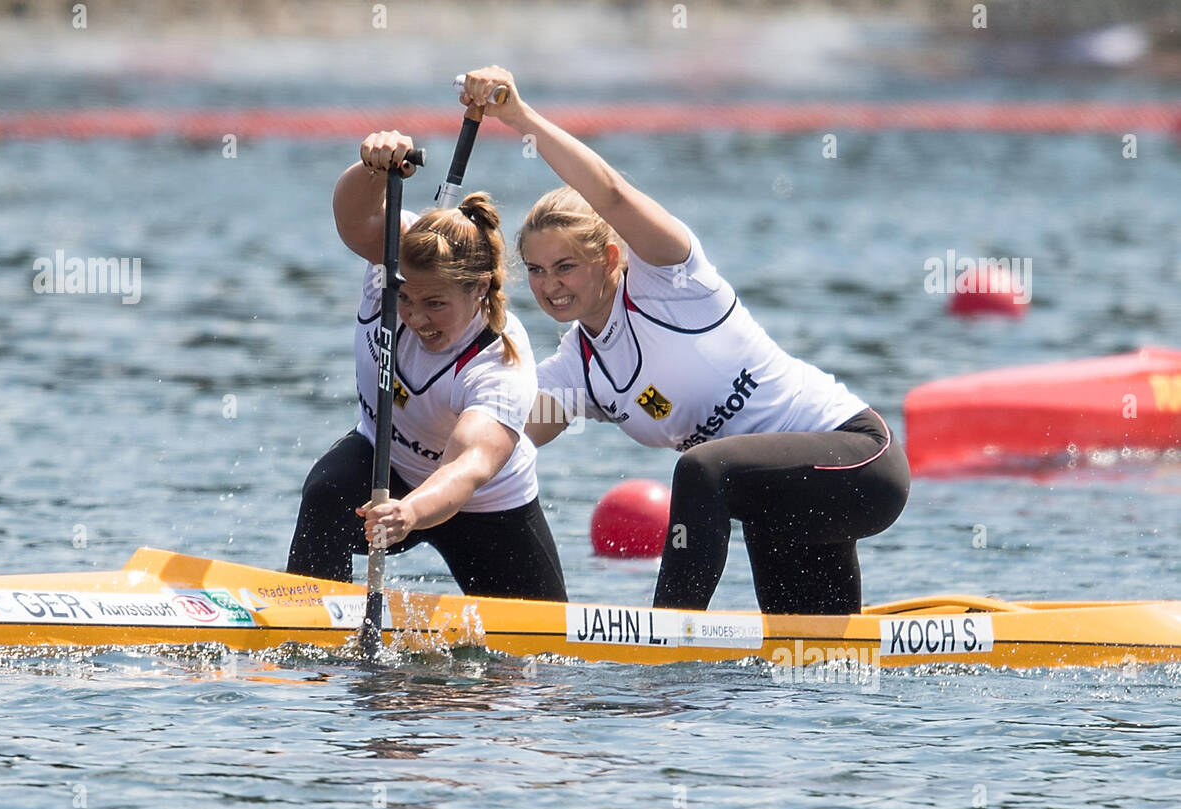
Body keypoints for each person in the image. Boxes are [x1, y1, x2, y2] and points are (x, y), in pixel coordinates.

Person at [458, 67, 909, 614]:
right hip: (776, 502)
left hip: (861, 462)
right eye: (535, 270)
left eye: (566, 266)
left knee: (700, 470)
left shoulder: (672, 279)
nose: (549, 286)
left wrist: (519, 117)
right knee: (811, 667)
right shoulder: (577, 371)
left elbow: (613, 194)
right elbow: (499, 438)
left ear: (610, 258)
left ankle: (666, 638)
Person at [286, 130, 567, 602]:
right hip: (385, 465)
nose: (415, 318)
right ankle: (310, 631)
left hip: (486, 508)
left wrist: (410, 513)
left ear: (478, 289)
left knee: (531, 669)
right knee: (326, 492)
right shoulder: (394, 261)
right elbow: (353, 218)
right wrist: (373, 169)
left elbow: (470, 465)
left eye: (435, 304)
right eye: (407, 299)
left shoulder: (499, 361)